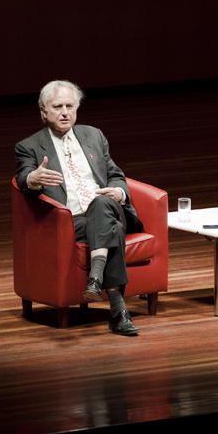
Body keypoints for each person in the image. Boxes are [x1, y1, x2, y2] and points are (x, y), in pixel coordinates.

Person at [15, 80, 144, 335]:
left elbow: (115, 175)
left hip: (107, 206)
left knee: (102, 203)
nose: (65, 112)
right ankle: (118, 311)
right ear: (43, 111)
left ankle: (96, 276)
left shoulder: (93, 135)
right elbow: (23, 177)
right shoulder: (28, 146)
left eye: (70, 106)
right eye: (58, 107)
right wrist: (33, 179)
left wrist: (119, 191)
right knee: (113, 228)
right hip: (73, 220)